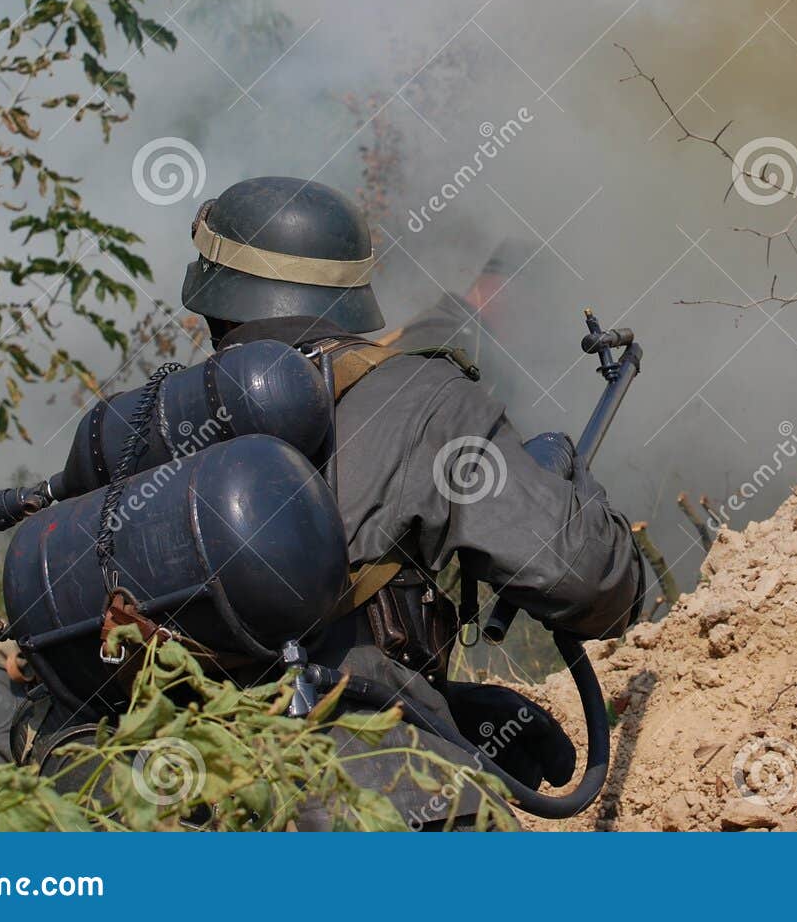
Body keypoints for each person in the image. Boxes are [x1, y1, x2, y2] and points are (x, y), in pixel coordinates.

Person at [180, 175, 645, 827]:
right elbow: (592, 580)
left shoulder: (147, 435)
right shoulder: (415, 394)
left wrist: (443, 708)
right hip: (356, 811)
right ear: (349, 291)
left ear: (212, 299)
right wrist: (574, 483)